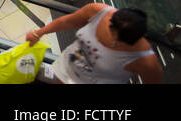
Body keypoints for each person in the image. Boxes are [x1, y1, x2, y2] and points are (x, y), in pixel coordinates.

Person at [26, 4, 161, 83]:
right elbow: (65, 22)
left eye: (122, 42)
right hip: (62, 70)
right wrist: (39, 33)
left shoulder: (146, 61)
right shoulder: (97, 12)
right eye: (113, 33)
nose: (114, 42)